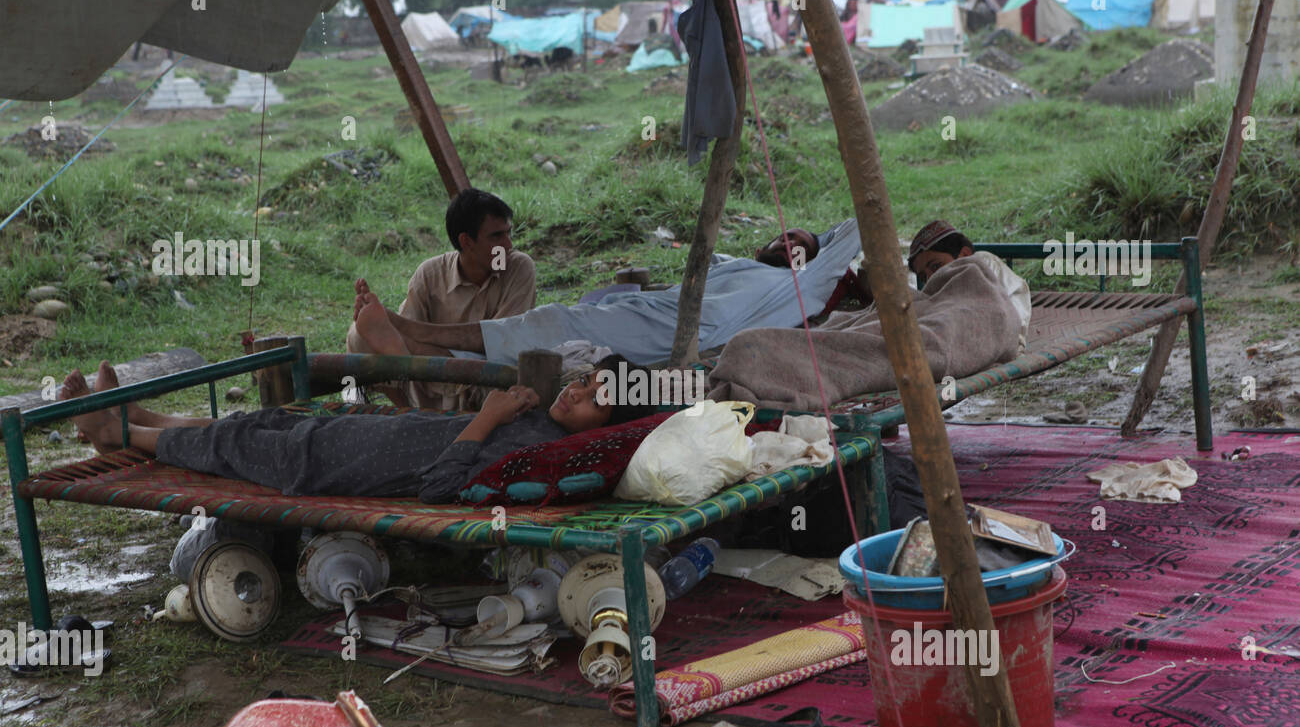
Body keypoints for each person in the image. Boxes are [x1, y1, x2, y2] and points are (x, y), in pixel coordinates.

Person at [62, 349, 653, 506]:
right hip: (350, 436)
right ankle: (138, 416)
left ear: (605, 426)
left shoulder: (541, 456)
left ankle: (120, 433)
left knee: (233, 442)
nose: (577, 390)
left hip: (336, 468)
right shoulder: (540, 428)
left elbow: (442, 487)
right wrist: (507, 411)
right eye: (585, 379)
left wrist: (488, 416)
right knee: (254, 422)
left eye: (595, 397)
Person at [349, 217, 866, 367]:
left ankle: (417, 333)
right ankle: (418, 350)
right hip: (658, 312)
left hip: (692, 333)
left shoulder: (803, 285)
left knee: (556, 325)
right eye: (781, 237)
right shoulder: (741, 266)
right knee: (561, 340)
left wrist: (822, 248)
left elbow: (856, 227)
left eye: (799, 242)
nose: (786, 243)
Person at [346, 187, 536, 411]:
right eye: (496, 236)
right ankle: (405, 410)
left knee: (488, 356)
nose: (508, 245)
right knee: (359, 335)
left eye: (508, 233)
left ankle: (394, 331)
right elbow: (403, 339)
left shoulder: (519, 266)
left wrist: (399, 327)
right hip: (429, 384)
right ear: (466, 241)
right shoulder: (430, 273)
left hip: (485, 383)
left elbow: (501, 340)